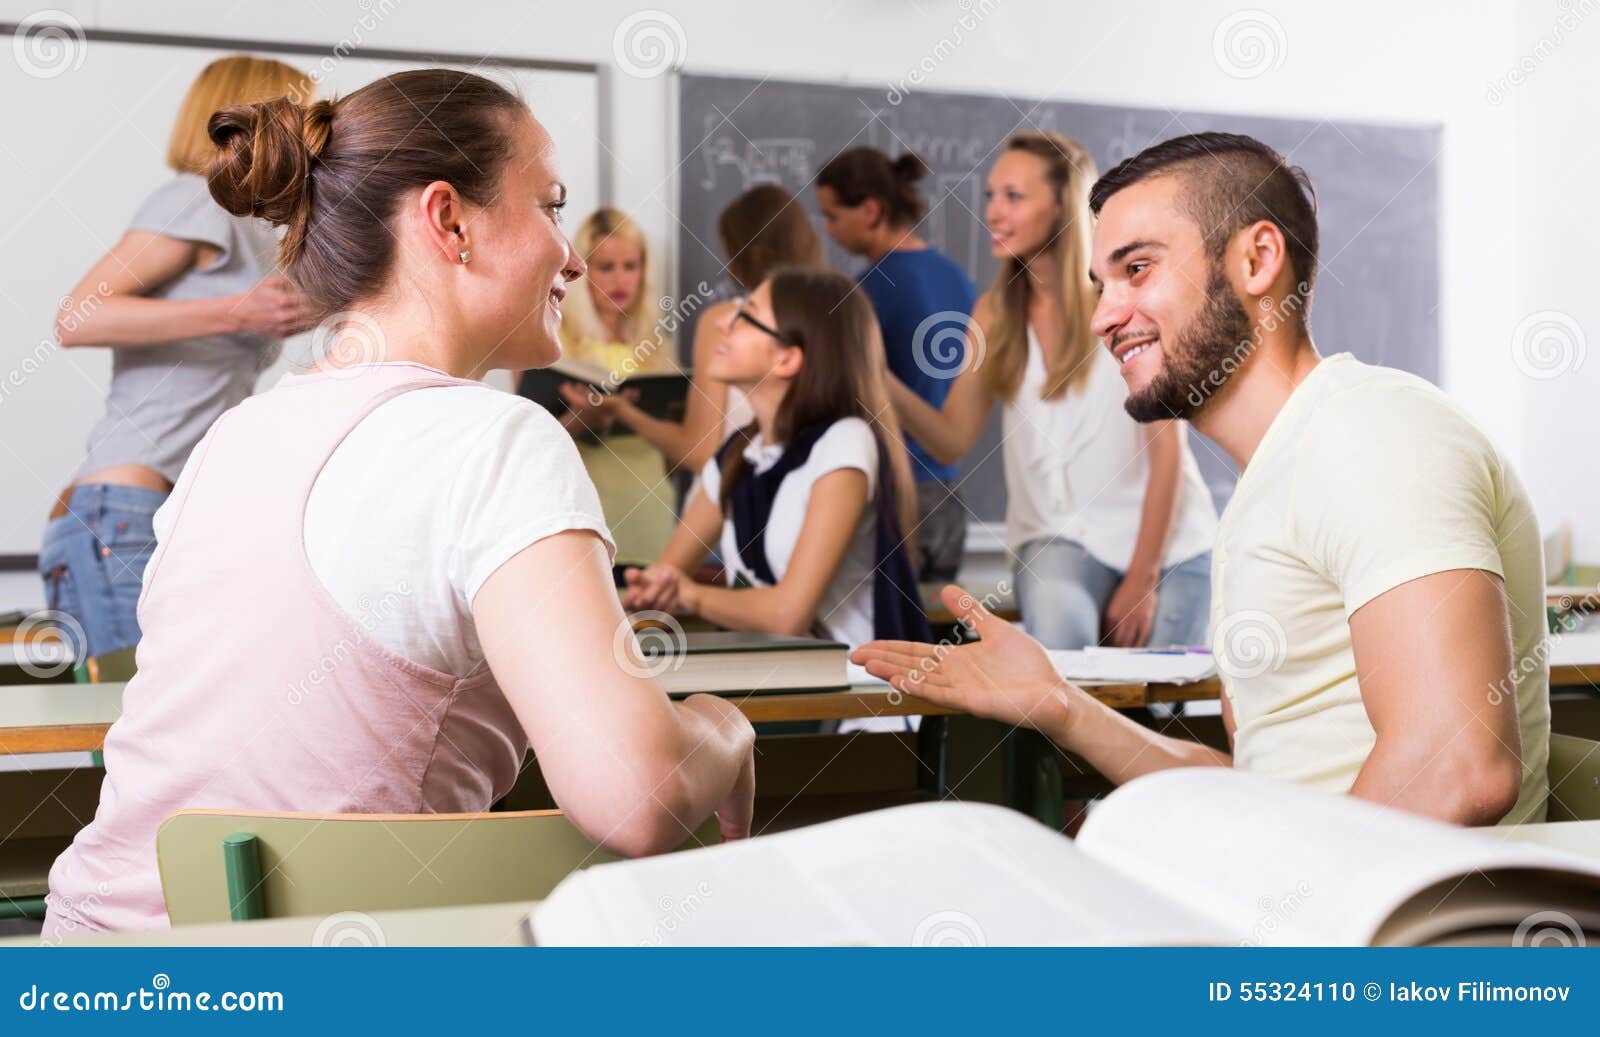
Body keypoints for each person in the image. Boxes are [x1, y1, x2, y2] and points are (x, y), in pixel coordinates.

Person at [45, 69, 755, 936]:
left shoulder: (233, 436)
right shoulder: (496, 438)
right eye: (551, 205)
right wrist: (723, 727)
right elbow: (638, 798)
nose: (569, 255)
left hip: (88, 972)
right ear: (449, 220)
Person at [855, 132, 1550, 828]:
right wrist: (1058, 702)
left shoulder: (1375, 432)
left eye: (1138, 269)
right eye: (1102, 283)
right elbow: (1262, 782)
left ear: (1257, 259)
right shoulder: (1266, 487)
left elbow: (1458, 768)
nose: (1103, 316)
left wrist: (1275, 923)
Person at [884, 132, 1218, 649]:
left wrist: (1142, 579)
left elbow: (1166, 452)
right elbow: (949, 439)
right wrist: (875, 378)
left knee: (1159, 700)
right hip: (1055, 539)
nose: (993, 213)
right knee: (1064, 685)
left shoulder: (1125, 301)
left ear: (1064, 203)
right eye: (991, 196)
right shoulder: (994, 315)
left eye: (1013, 197)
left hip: (1170, 545)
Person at [43, 55, 318, 659]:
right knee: (131, 733)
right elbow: (76, 318)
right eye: (300, 114)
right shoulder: (196, 199)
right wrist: (236, 313)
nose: (316, 132)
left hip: (163, 514)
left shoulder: (257, 230)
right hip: (122, 512)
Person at [621, 268, 929, 657]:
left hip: (861, 701)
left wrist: (690, 595)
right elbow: (666, 575)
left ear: (787, 359)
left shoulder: (845, 442)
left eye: (746, 316)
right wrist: (648, 587)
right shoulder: (740, 452)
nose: (725, 324)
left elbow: (788, 615)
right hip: (783, 691)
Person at [816, 147, 978, 582]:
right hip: (947, 497)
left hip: (892, 497)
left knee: (884, 642)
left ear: (870, 210)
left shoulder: (866, 290)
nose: (828, 231)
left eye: (832, 216)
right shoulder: (957, 278)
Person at [594, 185, 826, 477]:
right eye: (606, 267)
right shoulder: (837, 316)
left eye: (630, 266)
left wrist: (623, 413)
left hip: (730, 502)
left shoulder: (723, 322)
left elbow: (699, 452)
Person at [522, 208, 678, 563]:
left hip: (651, 506)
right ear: (583, 271)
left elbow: (679, 452)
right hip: (584, 508)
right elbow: (532, 446)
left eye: (631, 266)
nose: (620, 280)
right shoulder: (552, 341)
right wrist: (583, 419)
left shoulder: (657, 347)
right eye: (606, 268)